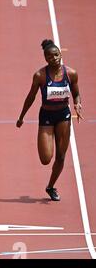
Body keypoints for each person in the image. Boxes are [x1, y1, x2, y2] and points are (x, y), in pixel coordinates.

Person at [16, 39, 83, 201]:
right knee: (46, 159)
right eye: (51, 56)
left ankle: (51, 186)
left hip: (64, 116)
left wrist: (77, 103)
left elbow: (76, 94)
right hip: (46, 116)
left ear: (61, 54)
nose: (55, 58)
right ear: (46, 59)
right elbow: (30, 97)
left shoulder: (71, 73)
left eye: (57, 55)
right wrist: (21, 117)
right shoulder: (40, 76)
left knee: (61, 156)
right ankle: (49, 137)